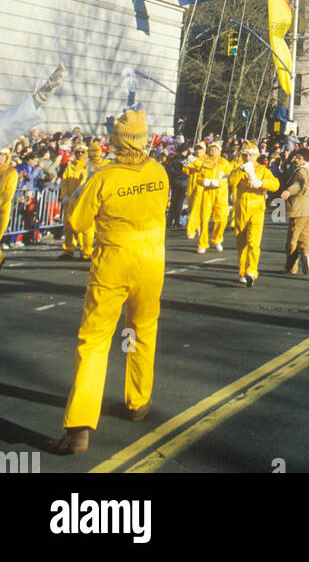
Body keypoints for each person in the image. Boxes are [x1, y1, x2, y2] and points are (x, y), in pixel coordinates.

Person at [52, 109, 169, 455]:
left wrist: (75, 198)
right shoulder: (158, 171)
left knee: (95, 341)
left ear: (117, 141)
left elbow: (77, 221)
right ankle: (138, 400)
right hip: (151, 262)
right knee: (140, 331)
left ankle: (79, 425)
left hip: (113, 262)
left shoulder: (104, 176)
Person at [231, 140, 280, 286]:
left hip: (256, 210)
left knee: (253, 242)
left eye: (251, 155)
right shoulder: (238, 168)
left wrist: (261, 183)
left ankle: (252, 271)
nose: (248, 158)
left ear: (256, 156)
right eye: (245, 155)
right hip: (241, 210)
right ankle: (242, 271)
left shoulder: (262, 170)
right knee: (241, 243)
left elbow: (275, 184)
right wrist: (240, 170)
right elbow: (231, 182)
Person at [282, 145, 309, 276]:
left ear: (305, 160)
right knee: (306, 237)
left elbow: (298, 184)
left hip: (299, 210)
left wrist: (288, 190)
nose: (295, 160)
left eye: (298, 158)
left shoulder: (301, 172)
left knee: (292, 239)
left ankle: (292, 266)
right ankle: (306, 254)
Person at [196, 141, 231, 253]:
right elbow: (199, 178)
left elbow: (230, 177)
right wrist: (204, 181)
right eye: (210, 149)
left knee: (222, 218)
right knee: (204, 218)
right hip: (207, 193)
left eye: (214, 149)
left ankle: (217, 238)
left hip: (221, 193)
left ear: (219, 150)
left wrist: (220, 182)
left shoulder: (224, 163)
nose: (212, 151)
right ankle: (202, 243)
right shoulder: (204, 163)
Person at [59, 143, 90, 259]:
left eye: (82, 152)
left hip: (81, 200)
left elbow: (85, 183)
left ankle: (85, 251)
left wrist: (78, 195)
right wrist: (65, 196)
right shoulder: (69, 166)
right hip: (69, 200)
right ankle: (68, 249)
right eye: (77, 152)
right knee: (68, 225)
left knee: (82, 225)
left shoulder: (88, 166)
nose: (80, 154)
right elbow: (65, 183)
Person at [0, 147, 20, 268]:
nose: (0, 157)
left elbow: (7, 194)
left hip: (2, 210)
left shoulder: (11, 172)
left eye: (3, 155)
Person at [183, 143, 206, 241]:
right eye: (196, 149)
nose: (198, 151)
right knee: (191, 206)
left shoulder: (206, 159)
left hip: (200, 186)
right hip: (191, 185)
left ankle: (191, 230)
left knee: (196, 208)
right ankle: (198, 226)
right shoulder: (193, 158)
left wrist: (194, 163)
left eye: (200, 149)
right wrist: (186, 163)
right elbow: (186, 170)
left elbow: (203, 167)